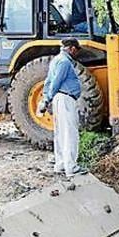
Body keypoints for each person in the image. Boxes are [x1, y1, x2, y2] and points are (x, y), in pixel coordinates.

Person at [38, 38, 84, 177]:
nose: (76, 53)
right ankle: (71, 167)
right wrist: (47, 99)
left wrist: (46, 98)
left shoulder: (56, 60)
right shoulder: (64, 62)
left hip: (60, 99)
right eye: (76, 50)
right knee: (70, 132)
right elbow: (56, 83)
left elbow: (48, 82)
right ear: (72, 48)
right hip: (66, 98)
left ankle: (61, 164)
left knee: (60, 133)